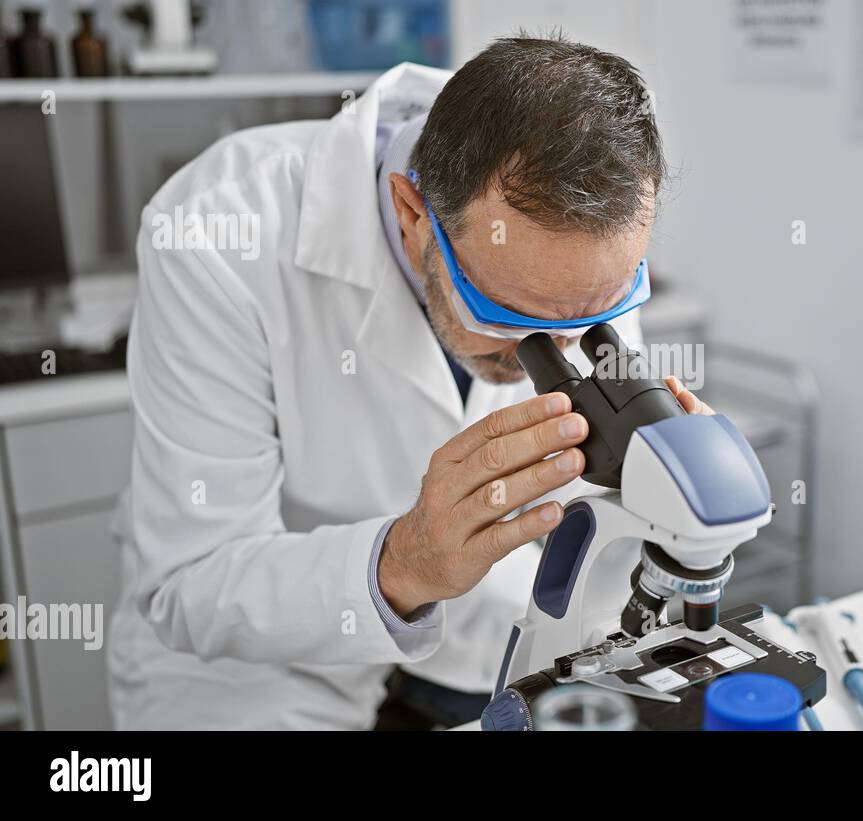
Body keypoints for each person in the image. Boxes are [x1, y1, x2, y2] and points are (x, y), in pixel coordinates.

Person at [108, 36, 709, 729]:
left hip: (477, 634)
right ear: (411, 212)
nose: (560, 348)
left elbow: (584, 494)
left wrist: (656, 494)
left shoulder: (575, 236)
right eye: (508, 314)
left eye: (596, 313)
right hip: (258, 672)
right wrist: (403, 563)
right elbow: (189, 578)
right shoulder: (216, 230)